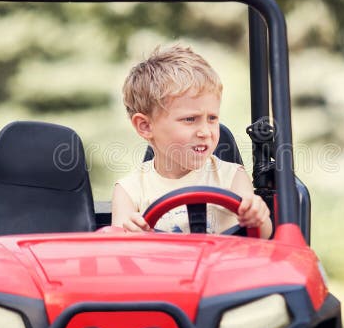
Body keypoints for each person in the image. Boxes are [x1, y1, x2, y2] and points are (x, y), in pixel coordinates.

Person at [112, 45, 272, 238]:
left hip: (225, 266)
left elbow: (262, 236)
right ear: (145, 126)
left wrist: (258, 216)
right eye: (190, 119)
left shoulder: (231, 177)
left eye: (212, 118)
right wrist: (130, 233)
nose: (205, 131)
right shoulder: (130, 190)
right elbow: (119, 248)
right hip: (162, 267)